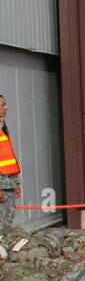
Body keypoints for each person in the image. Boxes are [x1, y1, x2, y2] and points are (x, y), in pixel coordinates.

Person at [0, 95, 22, 230]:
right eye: (2, 105)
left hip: (7, 183)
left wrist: (15, 183)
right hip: (1, 186)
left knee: (6, 223)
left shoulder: (3, 127)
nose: (6, 108)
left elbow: (9, 158)